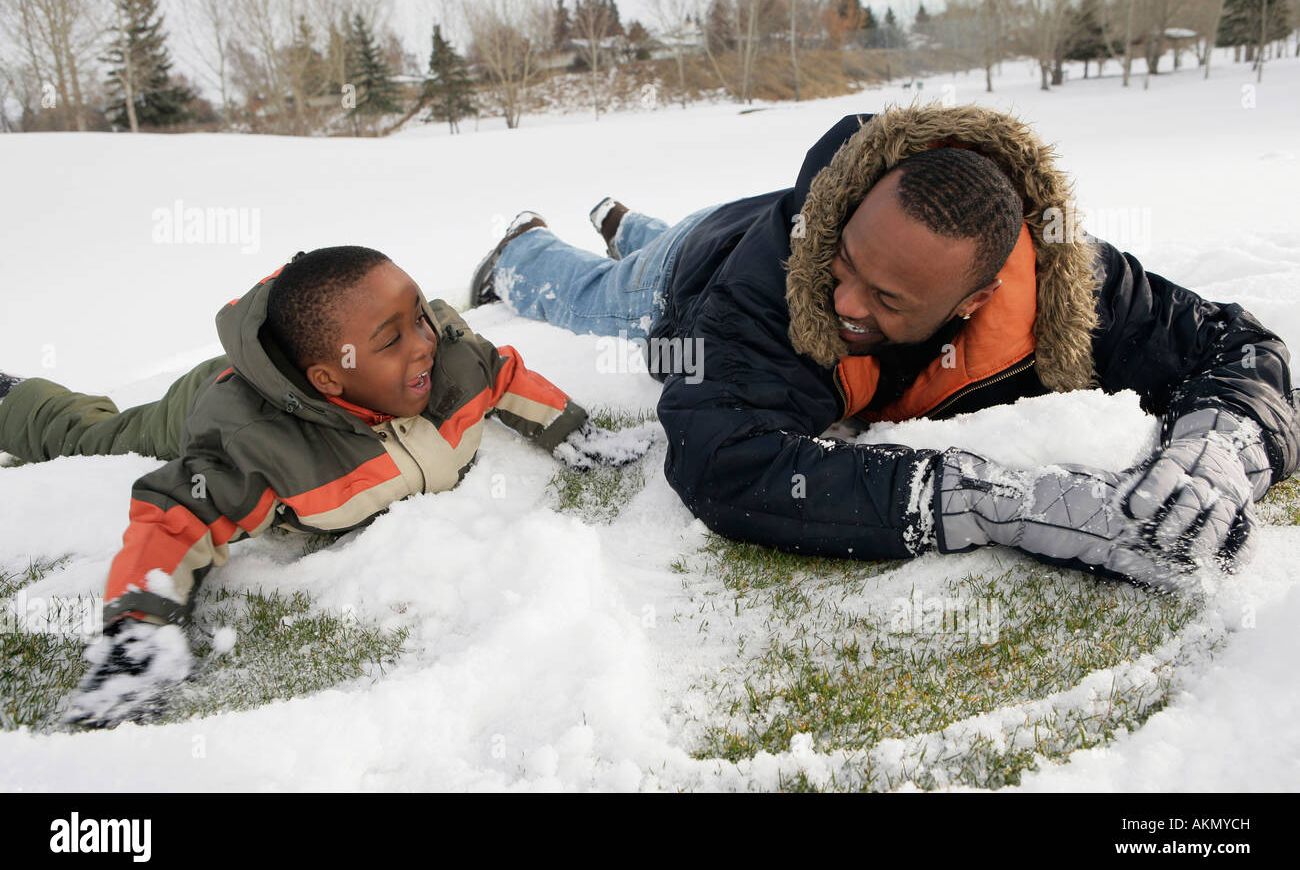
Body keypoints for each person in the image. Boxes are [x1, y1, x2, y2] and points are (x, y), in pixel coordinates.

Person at [470, 103, 1299, 592]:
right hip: (693, 272)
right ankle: (522, 247)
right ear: (854, 205)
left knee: (669, 229)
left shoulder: (1066, 282)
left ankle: (625, 219)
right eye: (847, 263)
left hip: (736, 224)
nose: (844, 302)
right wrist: (1003, 501)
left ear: (975, 299)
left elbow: (1238, 345)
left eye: (888, 299)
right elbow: (722, 458)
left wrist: (1217, 453)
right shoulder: (766, 296)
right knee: (593, 294)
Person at [0, 245, 648, 726]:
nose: (423, 342)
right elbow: (175, 514)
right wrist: (141, 628)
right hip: (211, 397)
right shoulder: (257, 448)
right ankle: (18, 402)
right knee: (98, 435)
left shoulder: (447, 356)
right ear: (333, 378)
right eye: (392, 339)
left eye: (418, 314)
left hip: (299, 354)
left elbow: (503, 375)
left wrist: (571, 431)